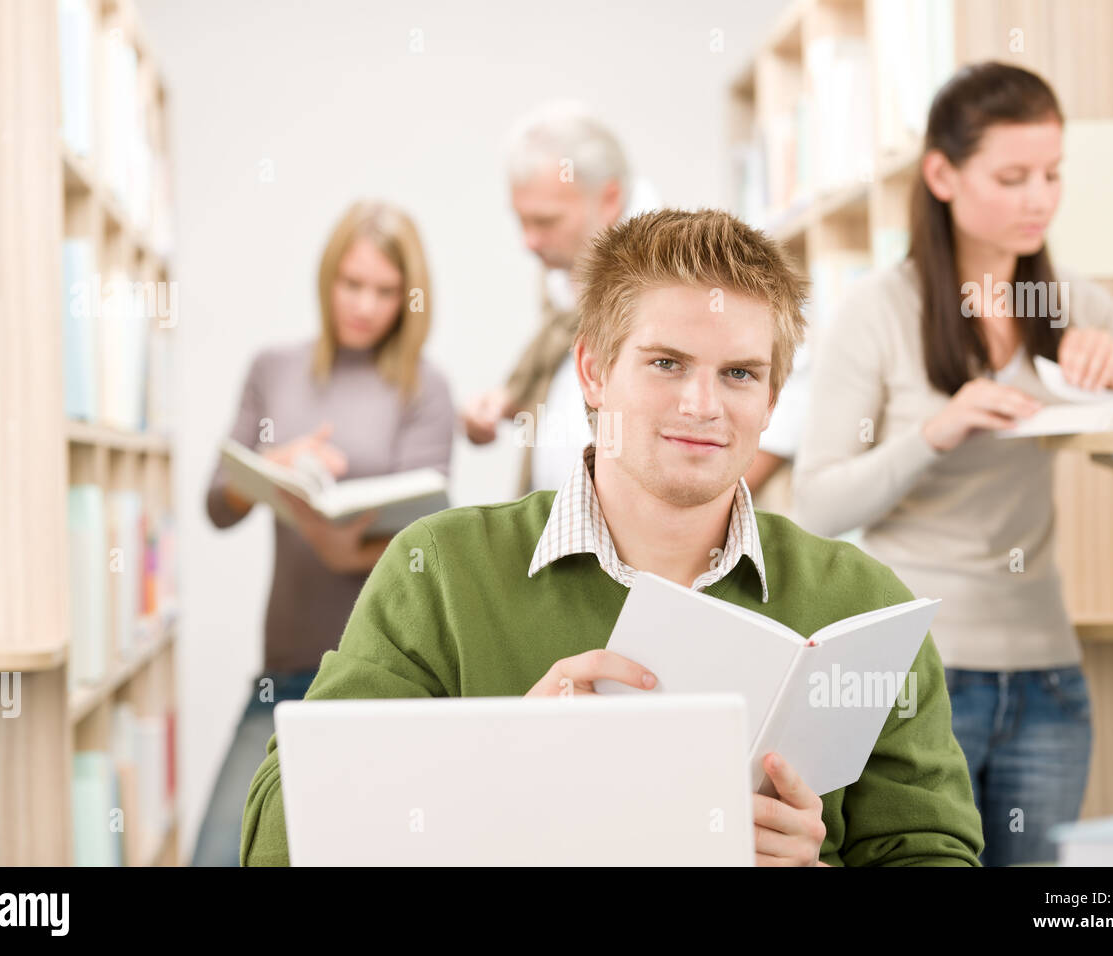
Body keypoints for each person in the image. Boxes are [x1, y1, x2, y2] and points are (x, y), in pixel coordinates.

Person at [240, 208, 985, 867]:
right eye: (666, 364)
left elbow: (934, 855)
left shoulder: (861, 606)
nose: (702, 405)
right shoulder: (436, 569)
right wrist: (494, 771)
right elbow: (277, 839)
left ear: (772, 398)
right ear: (594, 373)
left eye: (738, 374)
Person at [790, 62, 1113, 866]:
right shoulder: (880, 311)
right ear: (942, 174)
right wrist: (933, 435)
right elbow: (818, 505)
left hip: (1047, 677)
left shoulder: (1069, 301)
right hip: (923, 679)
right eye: (1012, 177)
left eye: (1052, 174)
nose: (1039, 198)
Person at [193, 200, 455, 866]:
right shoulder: (272, 368)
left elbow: (423, 543)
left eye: (386, 290)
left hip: (386, 673)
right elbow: (217, 507)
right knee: (222, 852)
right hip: (284, 669)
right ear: (327, 279)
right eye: (352, 283)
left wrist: (345, 550)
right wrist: (271, 469)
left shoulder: (425, 389)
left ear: (408, 297)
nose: (365, 304)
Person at [459, 100, 658, 496]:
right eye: (521, 220)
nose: (528, 242)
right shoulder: (562, 279)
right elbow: (571, 395)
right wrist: (507, 403)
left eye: (545, 221)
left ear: (609, 200)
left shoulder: (670, 280)